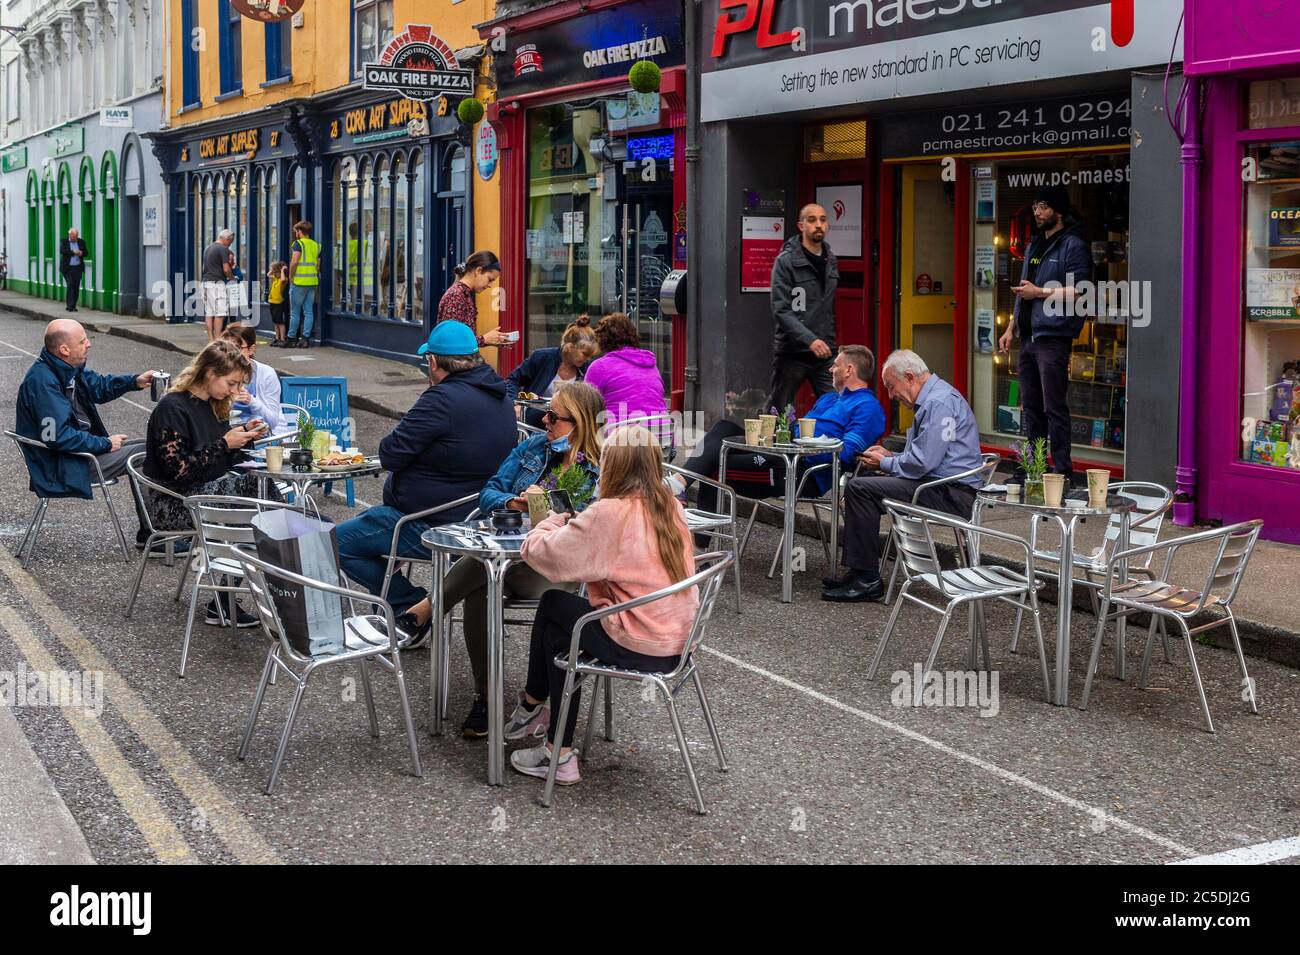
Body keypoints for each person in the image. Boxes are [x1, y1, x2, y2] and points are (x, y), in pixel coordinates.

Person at [404, 382, 603, 738]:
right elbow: (489, 492)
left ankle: (427, 608)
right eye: (546, 413)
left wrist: (556, 509)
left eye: (554, 417)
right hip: (511, 558)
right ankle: (486, 696)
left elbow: (597, 525)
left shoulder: (599, 470)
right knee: (483, 582)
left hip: (555, 568)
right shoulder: (534, 448)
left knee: (484, 571)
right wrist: (515, 503)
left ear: (580, 423)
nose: (545, 421)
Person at [507, 425, 699, 785]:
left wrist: (551, 521)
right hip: (679, 642)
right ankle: (542, 722)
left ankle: (549, 736)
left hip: (640, 642)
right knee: (563, 625)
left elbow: (542, 555)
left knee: (555, 611)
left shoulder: (612, 513)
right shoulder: (670, 505)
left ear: (612, 467)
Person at [336, 321, 516, 638]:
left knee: (337, 544)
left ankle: (411, 603)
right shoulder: (500, 397)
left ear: (433, 362)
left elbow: (390, 454)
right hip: (478, 519)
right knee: (369, 519)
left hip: (429, 523)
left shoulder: (440, 400)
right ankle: (401, 604)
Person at [822, 350, 985, 603]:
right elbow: (928, 455)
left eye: (891, 387)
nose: (890, 395)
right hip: (942, 485)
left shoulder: (938, 402)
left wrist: (887, 462)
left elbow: (924, 462)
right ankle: (860, 572)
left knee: (860, 489)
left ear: (909, 377)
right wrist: (890, 456)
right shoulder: (936, 398)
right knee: (864, 478)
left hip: (951, 494)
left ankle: (866, 579)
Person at [143, 341, 275, 626]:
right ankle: (232, 598)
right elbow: (179, 471)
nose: (234, 391)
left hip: (203, 491)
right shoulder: (172, 406)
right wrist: (224, 443)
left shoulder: (214, 405)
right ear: (210, 373)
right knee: (259, 499)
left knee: (262, 492)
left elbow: (223, 460)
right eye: (231, 383)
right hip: (174, 501)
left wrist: (243, 437)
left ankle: (236, 596)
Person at [680, 344, 886, 519]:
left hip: (800, 472)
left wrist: (803, 444)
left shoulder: (867, 407)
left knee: (713, 467)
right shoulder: (829, 399)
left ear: (849, 370)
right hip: (779, 454)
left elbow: (846, 452)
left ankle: (699, 551)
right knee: (724, 427)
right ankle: (679, 484)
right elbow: (796, 431)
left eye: (835, 365)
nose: (831, 370)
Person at [15, 319, 159, 549]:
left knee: (152, 446)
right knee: (145, 455)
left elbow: (99, 387)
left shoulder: (67, 369)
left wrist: (135, 381)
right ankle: (156, 535)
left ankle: (155, 531)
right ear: (64, 350)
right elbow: (56, 437)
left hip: (76, 455)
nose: (89, 344)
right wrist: (103, 443)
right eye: (82, 341)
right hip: (62, 465)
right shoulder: (42, 383)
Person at [999, 184, 1092, 484]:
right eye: (1035, 207)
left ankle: (1062, 471)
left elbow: (1081, 291)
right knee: (1032, 409)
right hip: (1028, 337)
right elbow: (1021, 292)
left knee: (1054, 407)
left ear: (1058, 211)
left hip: (1053, 337)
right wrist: (1011, 328)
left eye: (1042, 207)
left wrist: (1039, 292)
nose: (1036, 212)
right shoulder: (1034, 245)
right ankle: (1033, 469)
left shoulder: (1073, 245)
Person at [769, 204, 839, 412]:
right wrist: (810, 339)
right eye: (812, 220)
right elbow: (781, 310)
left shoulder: (831, 260)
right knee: (778, 412)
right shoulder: (786, 261)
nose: (818, 225)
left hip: (825, 352)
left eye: (823, 219)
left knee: (835, 409)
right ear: (801, 225)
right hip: (792, 352)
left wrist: (827, 340)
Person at [505, 314, 598, 428]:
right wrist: (515, 403)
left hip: (568, 429)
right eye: (585, 354)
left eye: (590, 355)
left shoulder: (588, 368)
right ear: (569, 346)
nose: (587, 359)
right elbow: (513, 380)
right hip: (534, 426)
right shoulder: (542, 357)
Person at [583, 312, 668, 431]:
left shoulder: (600, 367)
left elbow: (584, 407)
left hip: (622, 440)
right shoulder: (652, 366)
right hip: (663, 437)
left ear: (602, 341)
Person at [221, 324, 288, 435]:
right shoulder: (217, 374)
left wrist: (250, 401)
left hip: (264, 436)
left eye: (237, 348)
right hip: (230, 434)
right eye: (226, 349)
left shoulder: (266, 374)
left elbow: (273, 422)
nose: (231, 354)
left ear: (251, 349)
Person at [437, 250, 508, 348]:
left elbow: (462, 339)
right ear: (478, 271)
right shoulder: (456, 295)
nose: (490, 285)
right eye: (490, 279)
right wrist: (484, 339)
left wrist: (489, 341)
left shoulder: (463, 294)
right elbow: (452, 341)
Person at [287, 221, 321, 348]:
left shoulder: (298, 244)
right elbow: (318, 266)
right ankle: (305, 339)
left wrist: (291, 277)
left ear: (300, 232)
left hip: (299, 282)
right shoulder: (316, 245)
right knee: (308, 312)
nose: (296, 234)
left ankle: (291, 339)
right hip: (312, 282)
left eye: (296, 231)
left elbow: (294, 262)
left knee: (295, 312)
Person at [201, 229, 236, 342]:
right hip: (217, 283)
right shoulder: (223, 249)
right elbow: (226, 269)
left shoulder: (208, 248)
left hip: (206, 282)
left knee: (209, 313)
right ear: (227, 239)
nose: (230, 244)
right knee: (220, 314)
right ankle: (218, 340)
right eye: (230, 242)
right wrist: (232, 279)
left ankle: (211, 340)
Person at [58, 229, 88, 312]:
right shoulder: (64, 241)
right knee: (70, 284)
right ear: (69, 235)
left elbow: (86, 252)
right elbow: (62, 251)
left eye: (75, 237)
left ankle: (73, 305)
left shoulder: (81, 242)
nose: (73, 238)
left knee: (76, 286)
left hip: (77, 268)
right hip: (67, 268)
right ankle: (70, 305)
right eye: (72, 237)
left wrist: (81, 253)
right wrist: (73, 252)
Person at [265, 261, 290, 347]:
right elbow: (268, 274)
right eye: (274, 272)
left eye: (276, 272)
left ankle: (282, 338)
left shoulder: (283, 280)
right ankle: (277, 337)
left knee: (280, 321)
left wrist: (282, 270)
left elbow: (283, 279)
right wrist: (273, 270)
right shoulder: (275, 279)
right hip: (272, 302)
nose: (274, 274)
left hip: (279, 303)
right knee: (275, 321)